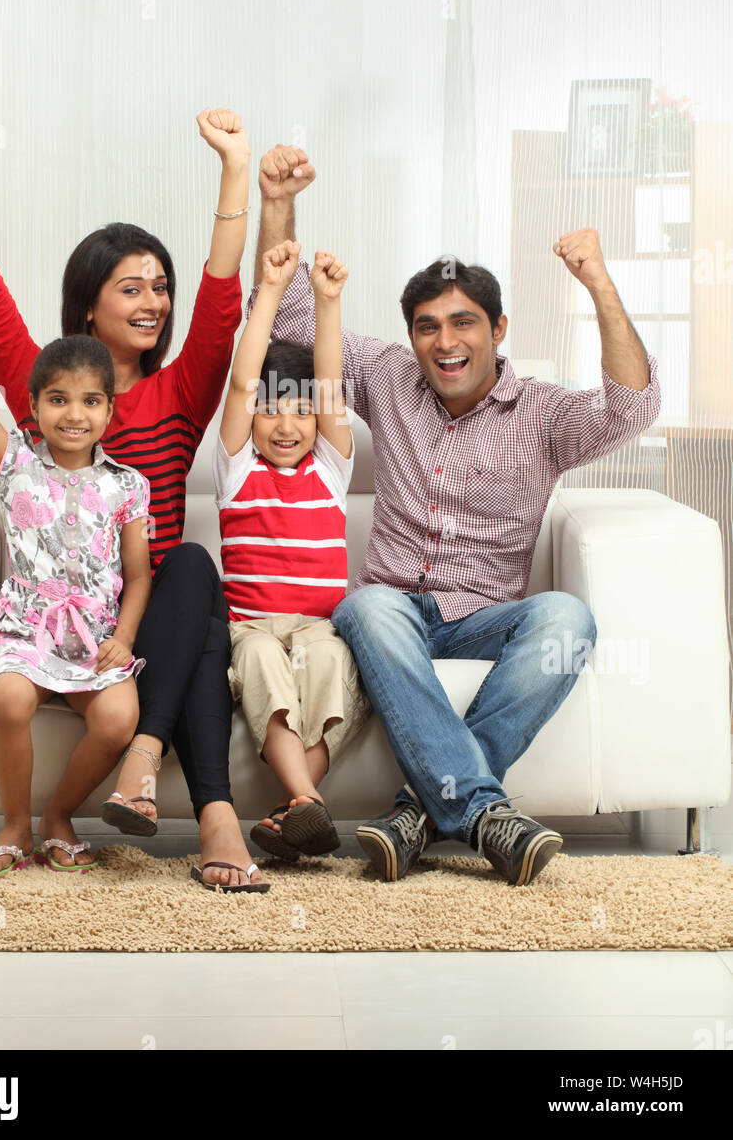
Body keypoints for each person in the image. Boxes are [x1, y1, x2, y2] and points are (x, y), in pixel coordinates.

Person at [246, 143, 661, 886]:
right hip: (393, 611)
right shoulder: (387, 375)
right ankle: (482, 813)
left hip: (482, 616)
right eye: (428, 326)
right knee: (369, 605)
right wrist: (278, 201)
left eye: (464, 323)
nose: (446, 342)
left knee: (568, 620)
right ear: (411, 337)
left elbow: (632, 408)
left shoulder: (543, 414)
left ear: (498, 330)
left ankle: (421, 811)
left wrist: (598, 281)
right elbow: (293, 317)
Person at [0, 91, 268, 892]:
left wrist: (235, 170)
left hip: (138, 623)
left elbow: (222, 302)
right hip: (61, 631)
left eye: (160, 287)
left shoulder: (182, 390)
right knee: (208, 624)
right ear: (89, 302)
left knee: (189, 565)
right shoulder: (41, 389)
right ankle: (200, 811)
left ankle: (142, 759)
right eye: (132, 288)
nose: (155, 301)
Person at [0, 242, 152, 876]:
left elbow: (139, 576)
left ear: (110, 413)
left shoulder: (127, 486)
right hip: (25, 626)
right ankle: (14, 825)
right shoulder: (16, 466)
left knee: (119, 716)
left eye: (91, 401)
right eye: (58, 399)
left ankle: (59, 816)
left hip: (93, 632)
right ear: (33, 408)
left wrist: (123, 636)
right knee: (9, 698)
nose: (74, 414)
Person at [214, 239, 370, 862]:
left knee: (334, 669)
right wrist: (273, 293)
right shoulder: (234, 471)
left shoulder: (330, 470)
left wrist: (328, 304)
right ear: (252, 419)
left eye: (301, 413)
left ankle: (296, 809)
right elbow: (238, 384)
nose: (286, 426)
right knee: (258, 665)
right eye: (270, 412)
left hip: (319, 626)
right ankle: (309, 800)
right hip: (252, 625)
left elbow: (330, 388)